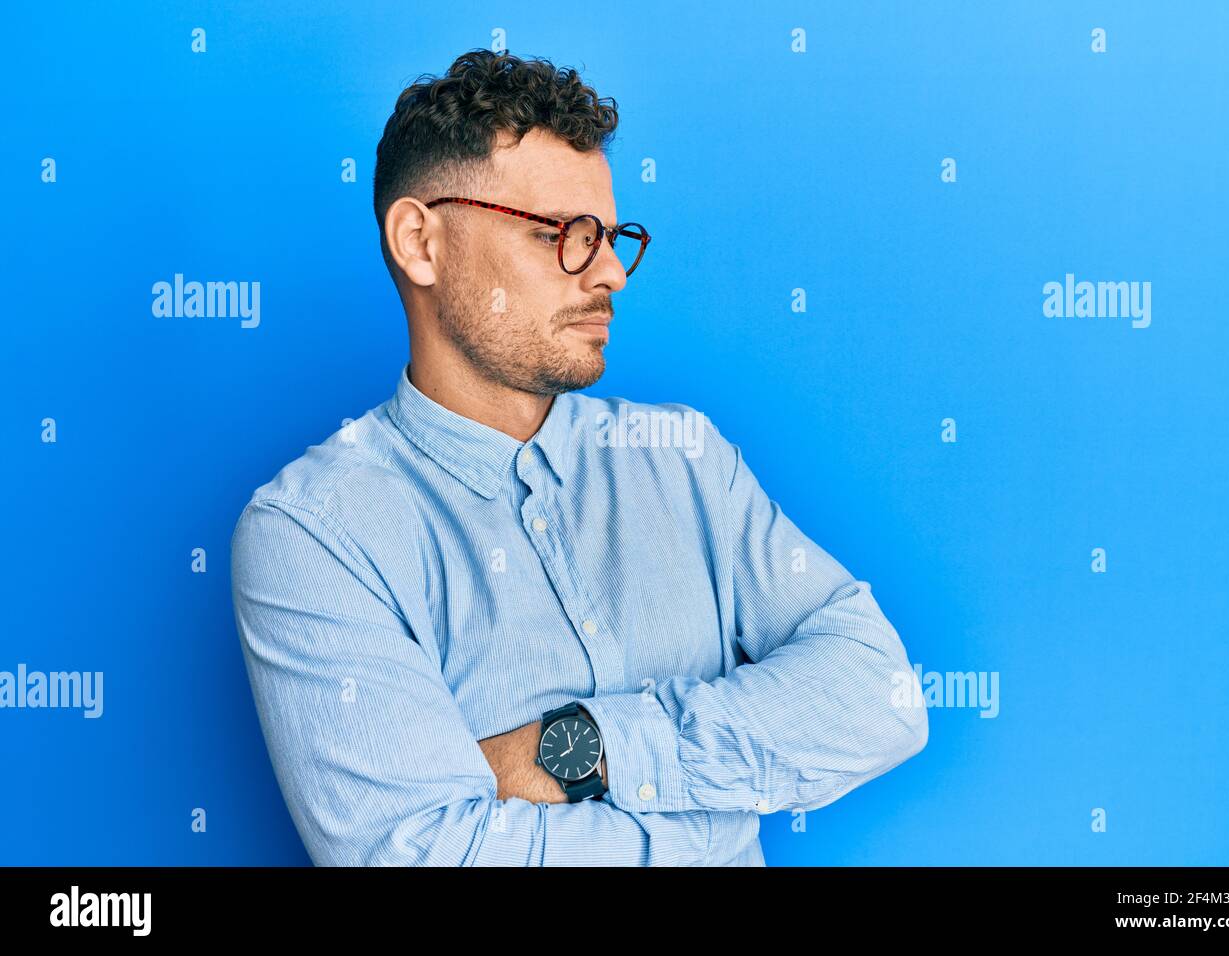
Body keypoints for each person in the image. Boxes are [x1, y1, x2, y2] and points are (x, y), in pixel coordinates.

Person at [230, 48, 928, 866]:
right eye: (562, 234)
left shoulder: (685, 461)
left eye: (610, 237)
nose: (608, 276)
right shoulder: (315, 533)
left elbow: (880, 695)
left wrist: (585, 747)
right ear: (421, 242)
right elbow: (424, 854)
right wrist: (711, 812)